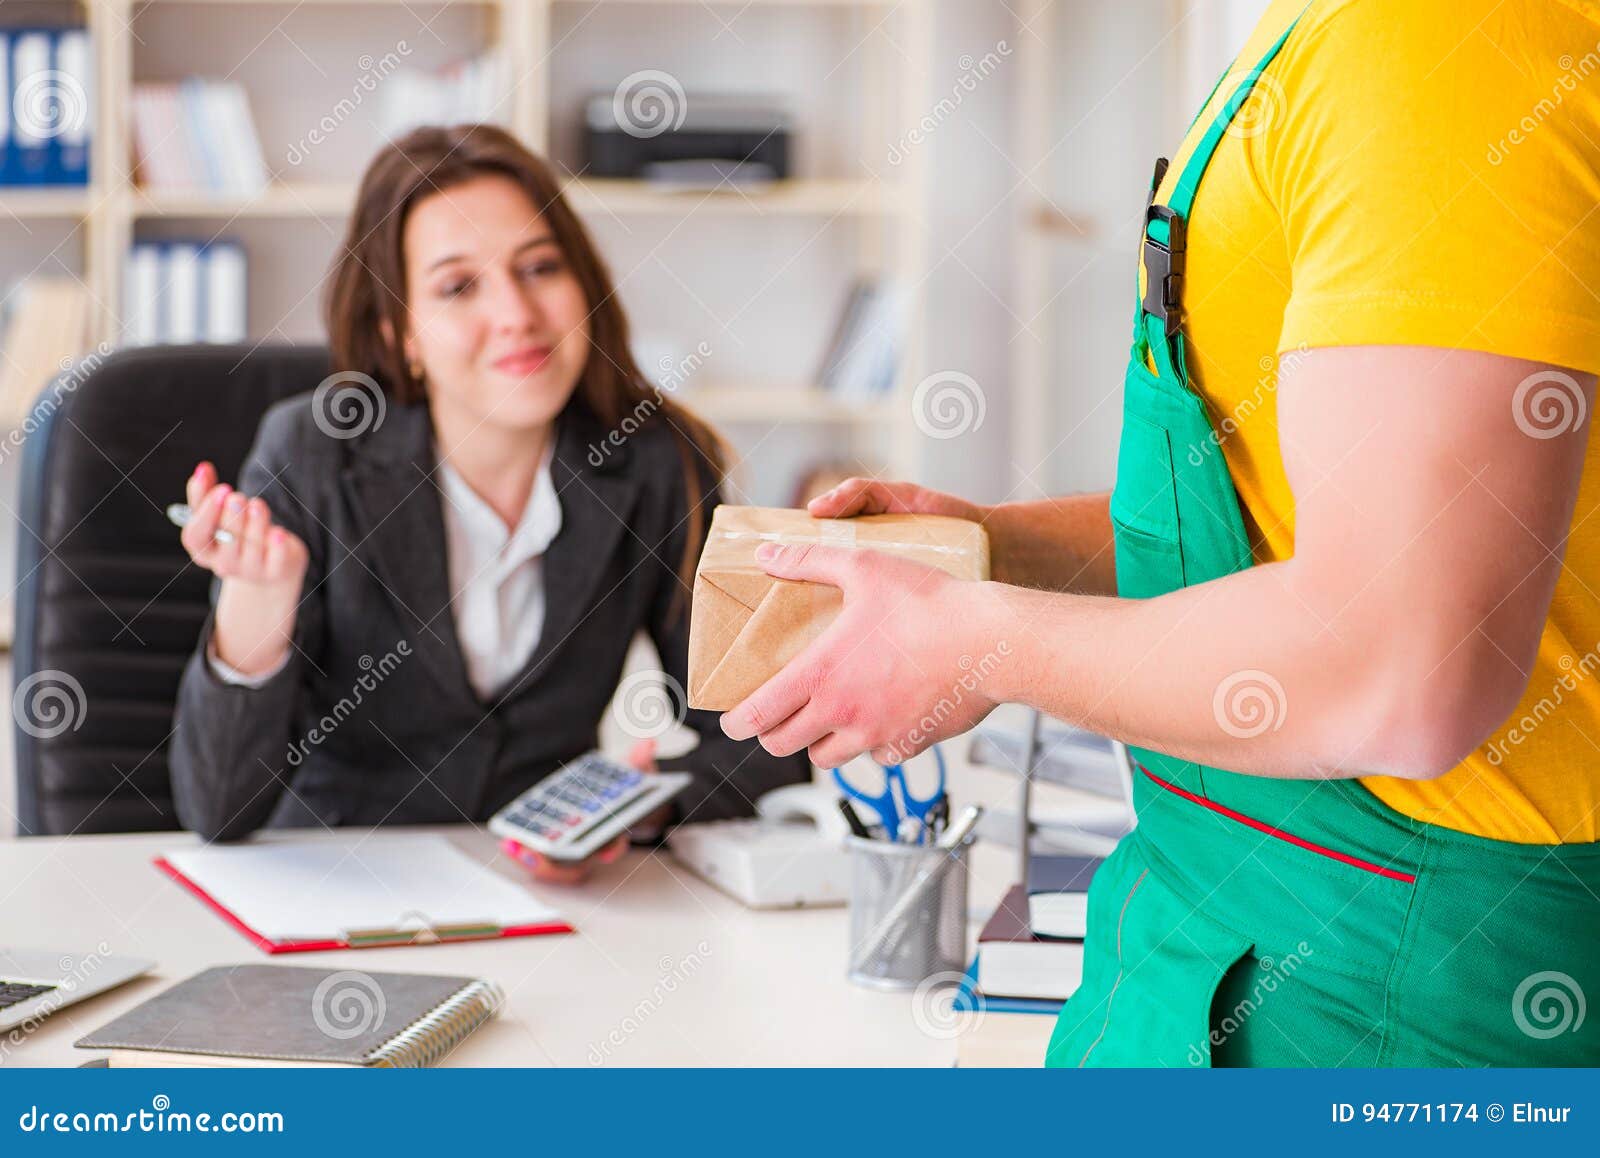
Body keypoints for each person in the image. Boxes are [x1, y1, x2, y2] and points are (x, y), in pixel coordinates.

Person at [720, 0, 1600, 1065]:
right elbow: (1296, 517)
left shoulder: (1431, 43)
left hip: (1381, 988)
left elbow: (1398, 667)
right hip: (1238, 927)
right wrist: (995, 549)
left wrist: (977, 640)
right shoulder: (1337, 35)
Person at [169, 123, 807, 882]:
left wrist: (646, 806)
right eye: (458, 285)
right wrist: (257, 609)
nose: (517, 314)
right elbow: (217, 810)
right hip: (343, 888)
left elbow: (763, 738)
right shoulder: (311, 453)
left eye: (539, 267)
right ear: (399, 332)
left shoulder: (656, 459)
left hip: (557, 901)